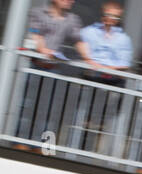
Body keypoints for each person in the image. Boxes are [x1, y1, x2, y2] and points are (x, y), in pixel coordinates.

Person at [18, 0, 88, 147]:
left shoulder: (72, 19)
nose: (71, 1)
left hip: (53, 68)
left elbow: (79, 40)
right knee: (28, 104)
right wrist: (43, 50)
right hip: (35, 66)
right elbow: (35, 34)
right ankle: (21, 141)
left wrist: (89, 58)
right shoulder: (38, 12)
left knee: (48, 107)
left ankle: (39, 145)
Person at [74, 3, 132, 152]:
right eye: (108, 14)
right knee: (83, 117)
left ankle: (97, 152)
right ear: (102, 14)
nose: (110, 19)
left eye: (115, 16)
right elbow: (78, 43)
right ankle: (77, 147)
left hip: (111, 82)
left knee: (104, 121)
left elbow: (124, 64)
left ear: (119, 18)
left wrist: (105, 68)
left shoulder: (123, 39)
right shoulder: (89, 32)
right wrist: (89, 60)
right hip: (91, 79)